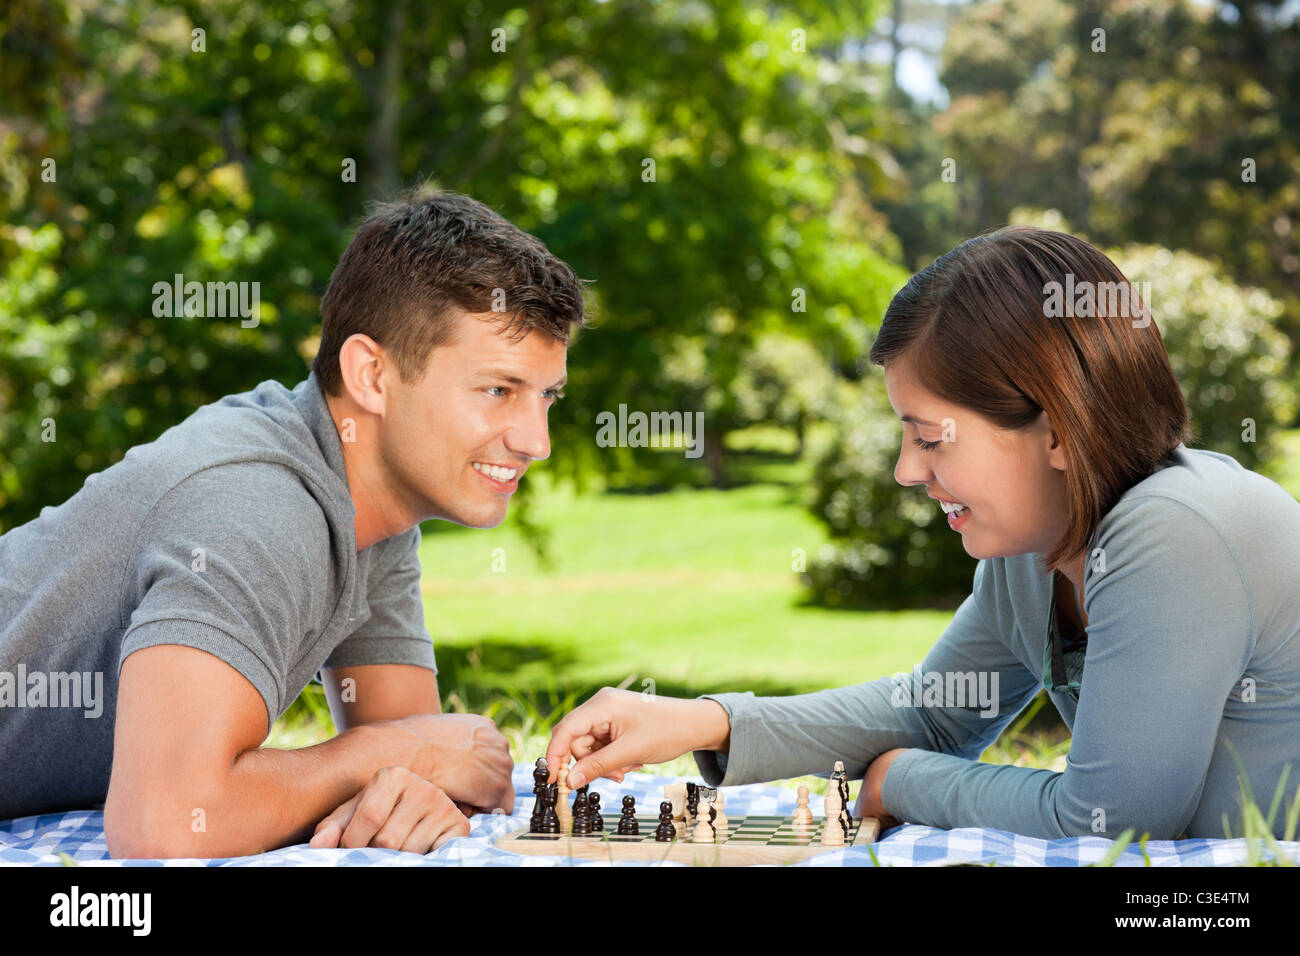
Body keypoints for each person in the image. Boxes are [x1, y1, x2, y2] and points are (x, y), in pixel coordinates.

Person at [544, 225, 1300, 841]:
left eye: (932, 439)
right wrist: (700, 719)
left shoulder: (1173, 533)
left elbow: (1115, 821)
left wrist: (905, 779)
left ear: (1060, 430)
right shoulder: (1038, 548)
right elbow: (937, 711)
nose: (907, 471)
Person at [0, 190, 587, 856]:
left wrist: (406, 767)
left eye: (546, 398)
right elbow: (163, 823)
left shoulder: (373, 511)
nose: (536, 442)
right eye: (498, 391)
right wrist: (378, 754)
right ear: (371, 375)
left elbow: (425, 758)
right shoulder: (258, 509)